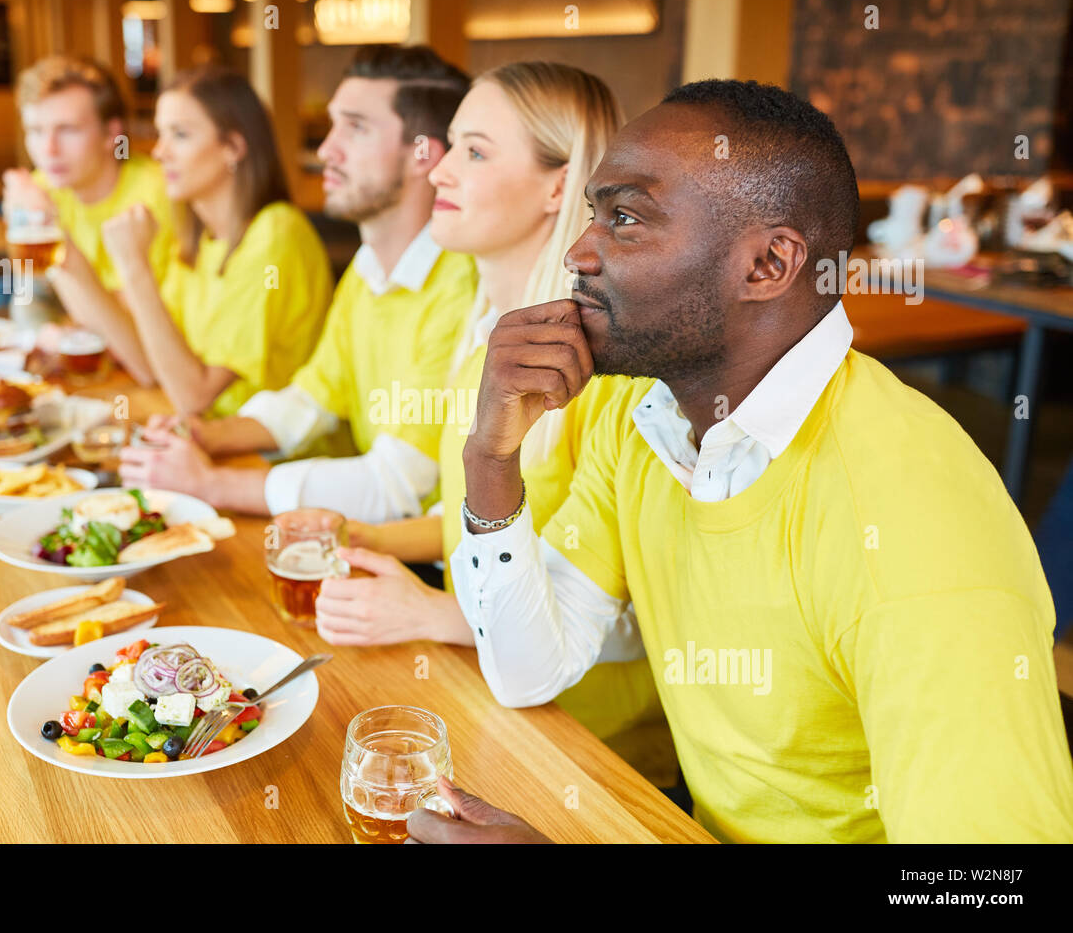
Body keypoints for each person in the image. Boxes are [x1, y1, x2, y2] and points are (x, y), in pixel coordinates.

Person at [411, 80, 1073, 843]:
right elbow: (529, 668)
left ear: (767, 265)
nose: (577, 252)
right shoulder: (646, 421)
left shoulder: (913, 521)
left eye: (625, 218)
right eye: (595, 213)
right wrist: (491, 459)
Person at [308, 62, 665, 756]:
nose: (437, 171)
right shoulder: (484, 344)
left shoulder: (613, 375)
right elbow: (473, 522)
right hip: (486, 707)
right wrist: (363, 538)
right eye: (449, 145)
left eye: (474, 152)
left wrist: (435, 613)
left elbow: (637, 623)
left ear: (560, 186)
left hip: (591, 751)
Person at [120, 45, 477, 521]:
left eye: (357, 127)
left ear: (421, 156)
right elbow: (311, 398)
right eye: (333, 125)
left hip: (426, 564)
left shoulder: (462, 286)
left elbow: (398, 488)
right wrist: (206, 435)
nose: (328, 149)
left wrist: (211, 483)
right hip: (365, 535)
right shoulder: (369, 266)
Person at [82, 66, 332, 417]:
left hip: (271, 460)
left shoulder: (275, 235)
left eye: (180, 135)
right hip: (208, 443)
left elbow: (194, 396)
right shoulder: (197, 240)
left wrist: (135, 268)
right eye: (160, 134)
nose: (159, 152)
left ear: (233, 147)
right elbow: (152, 363)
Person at [4, 56, 177, 383]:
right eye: (36, 131)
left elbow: (135, 342)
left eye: (67, 130)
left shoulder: (156, 196)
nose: (48, 149)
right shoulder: (43, 188)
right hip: (92, 381)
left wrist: (52, 233)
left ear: (111, 134)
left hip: (154, 386)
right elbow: (31, 304)